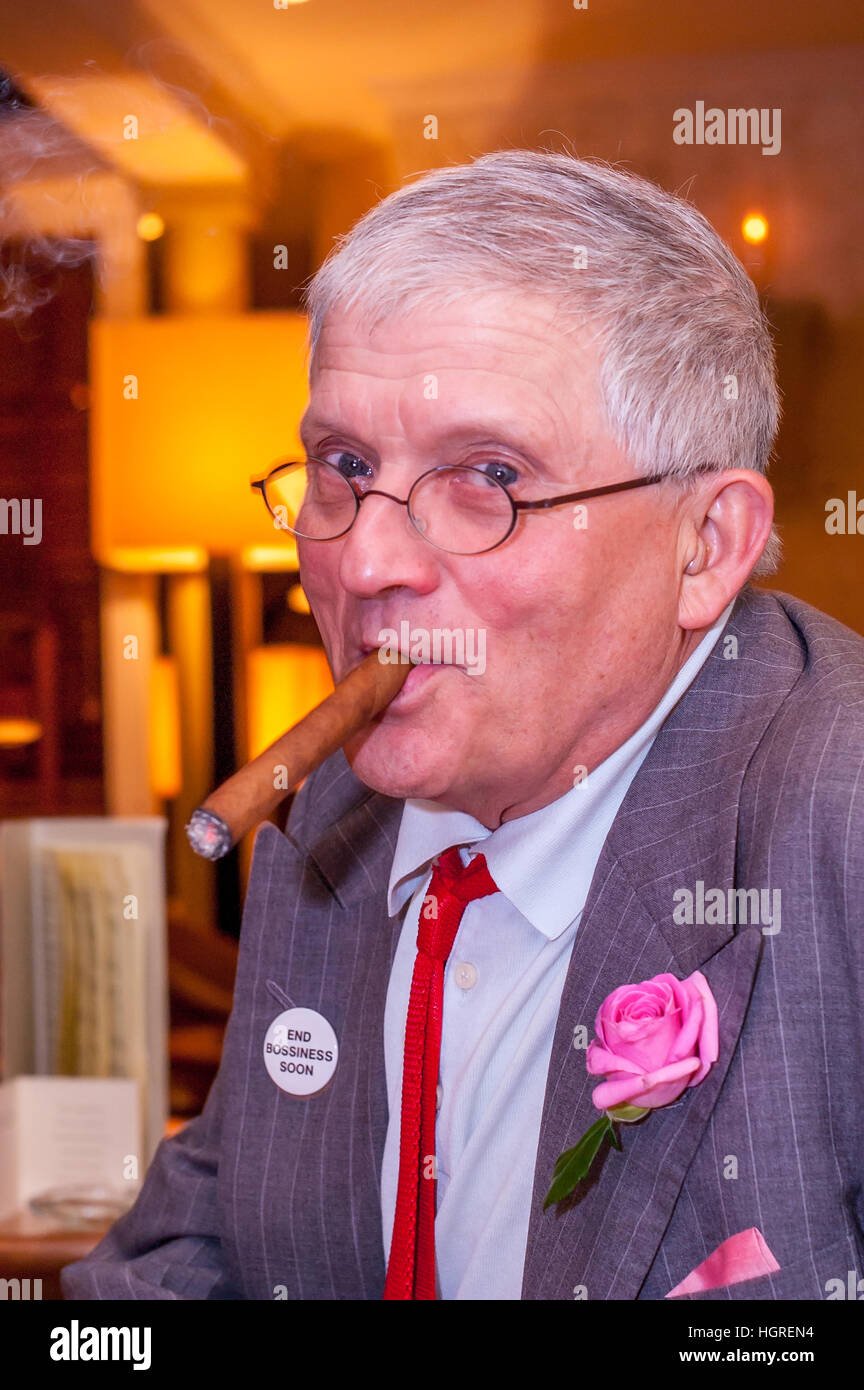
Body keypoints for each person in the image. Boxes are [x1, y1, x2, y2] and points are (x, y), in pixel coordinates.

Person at [62, 150, 864, 1301]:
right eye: (343, 466)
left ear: (706, 548)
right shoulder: (332, 819)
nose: (364, 559)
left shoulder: (842, 820)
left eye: (489, 474)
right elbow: (209, 1254)